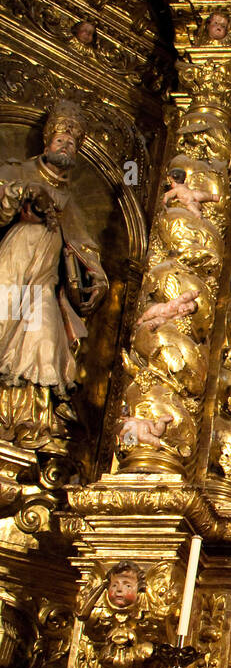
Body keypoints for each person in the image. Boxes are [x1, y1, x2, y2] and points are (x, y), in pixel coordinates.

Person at [0, 100, 108, 448]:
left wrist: (100, 278)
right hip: (15, 263)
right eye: (61, 140)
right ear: (47, 143)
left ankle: (32, 425)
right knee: (4, 326)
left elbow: (84, 244)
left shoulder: (71, 201)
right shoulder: (20, 171)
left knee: (45, 340)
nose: (66, 146)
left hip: (45, 281)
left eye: (72, 143)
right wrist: (23, 195)